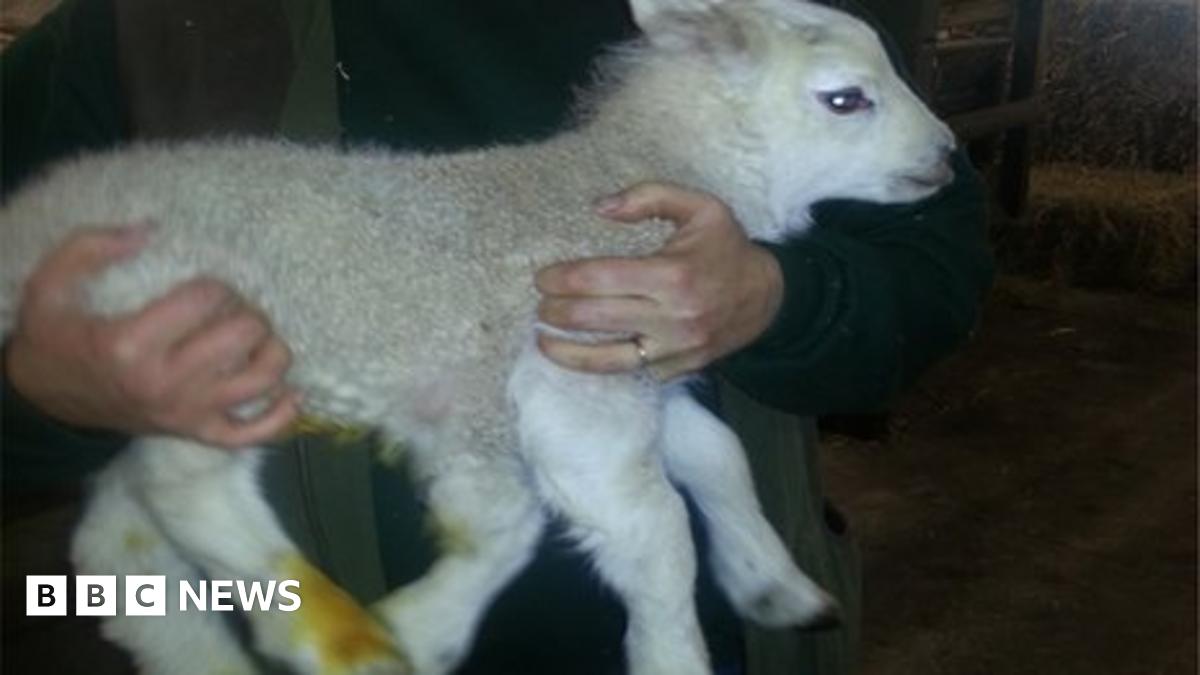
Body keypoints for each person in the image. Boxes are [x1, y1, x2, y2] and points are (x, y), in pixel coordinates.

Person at [0, 0, 994, 673]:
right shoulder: (147, 32)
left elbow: (935, 262)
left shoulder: (757, 15)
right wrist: (46, 393)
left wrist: (784, 292)